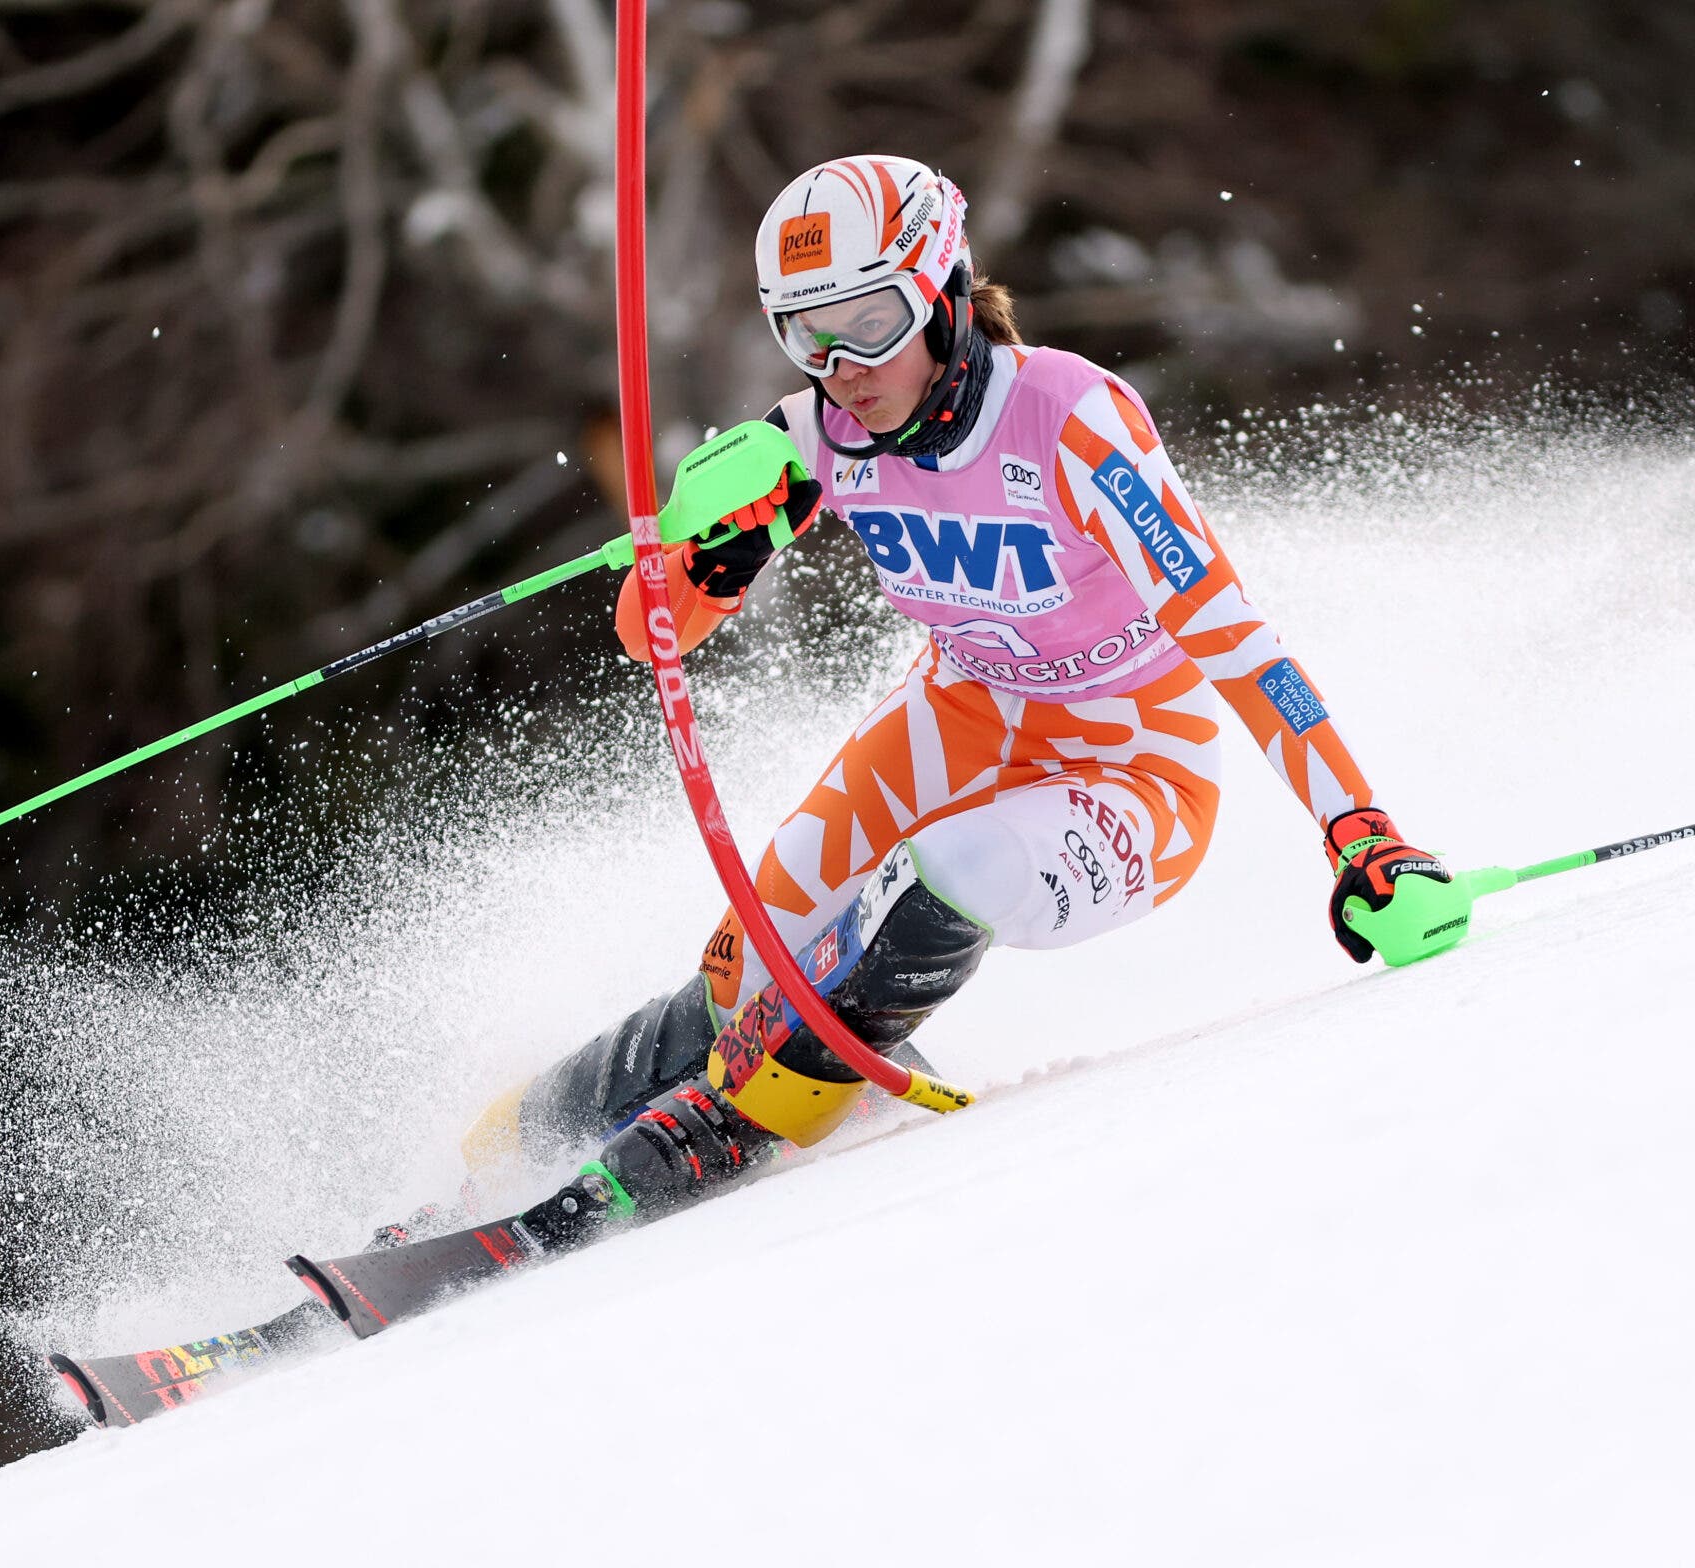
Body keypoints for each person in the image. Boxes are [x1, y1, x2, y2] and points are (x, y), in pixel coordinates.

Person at [418, 154, 1449, 1252]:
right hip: (960, 719)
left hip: (1133, 764)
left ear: (943, 292)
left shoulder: (1069, 418)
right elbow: (645, 632)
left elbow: (1236, 638)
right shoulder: (814, 434)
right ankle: (497, 1158)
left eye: (871, 323)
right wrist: (705, 558)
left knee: (949, 874)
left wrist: (1359, 829)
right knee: (747, 966)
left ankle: (717, 1130)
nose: (845, 369)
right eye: (806, 335)